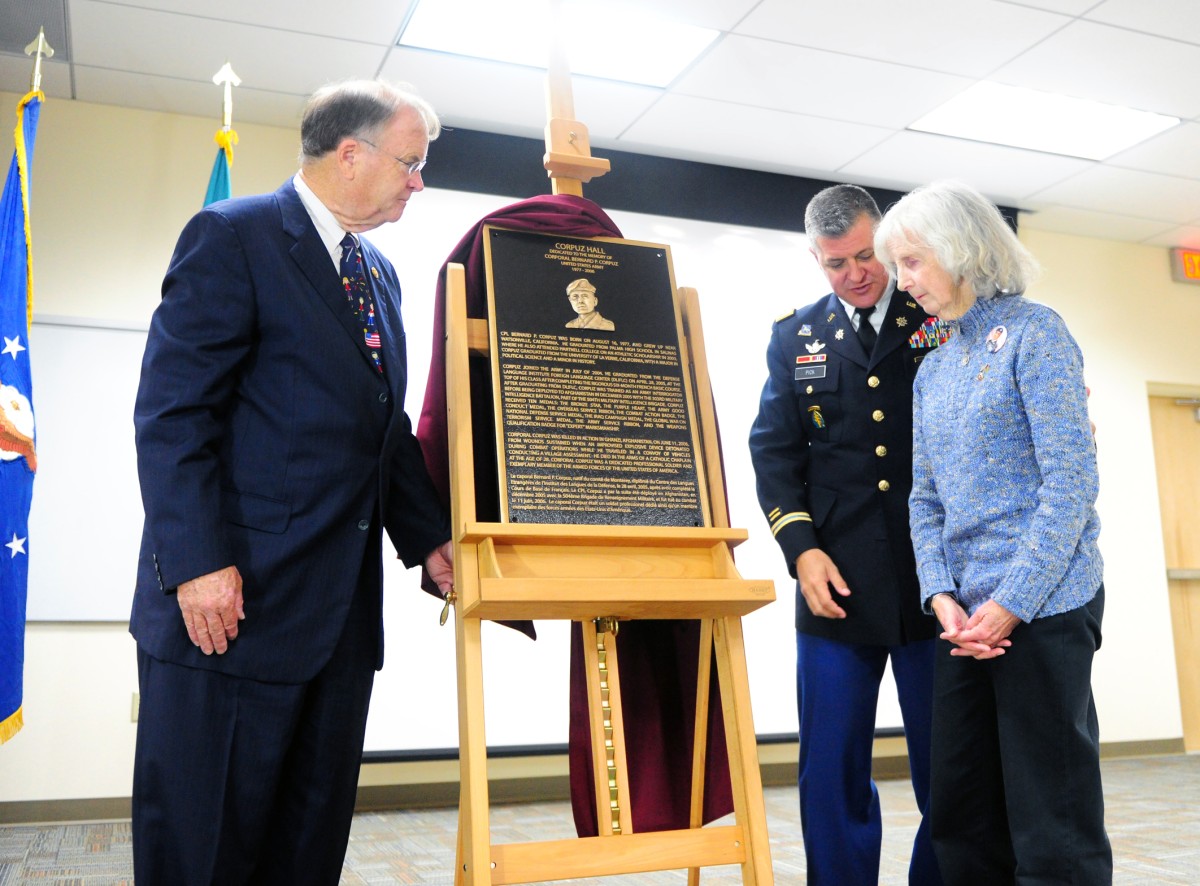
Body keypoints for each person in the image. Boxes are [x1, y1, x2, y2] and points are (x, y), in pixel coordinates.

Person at [130, 79, 454, 885]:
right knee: (205, 851)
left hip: (338, 623)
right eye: (411, 164)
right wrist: (198, 564)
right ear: (351, 154)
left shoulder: (379, 274)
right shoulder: (233, 236)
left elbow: (383, 433)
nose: (420, 182)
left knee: (305, 852)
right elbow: (173, 416)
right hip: (232, 610)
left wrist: (430, 542)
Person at [876, 180, 1111, 884]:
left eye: (912, 262)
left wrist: (1011, 601)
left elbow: (1071, 483)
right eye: (897, 268)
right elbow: (924, 501)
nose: (903, 282)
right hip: (964, 620)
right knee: (961, 808)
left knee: (1051, 813)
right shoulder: (932, 367)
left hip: (1045, 606)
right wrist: (941, 597)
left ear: (962, 249)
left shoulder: (1038, 334)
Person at [749, 183, 945, 885]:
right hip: (835, 583)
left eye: (866, 255)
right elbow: (775, 454)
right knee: (830, 769)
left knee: (947, 769)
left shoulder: (939, 321)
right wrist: (801, 554)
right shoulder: (794, 337)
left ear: (887, 243)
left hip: (937, 583)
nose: (855, 273)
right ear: (815, 259)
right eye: (836, 264)